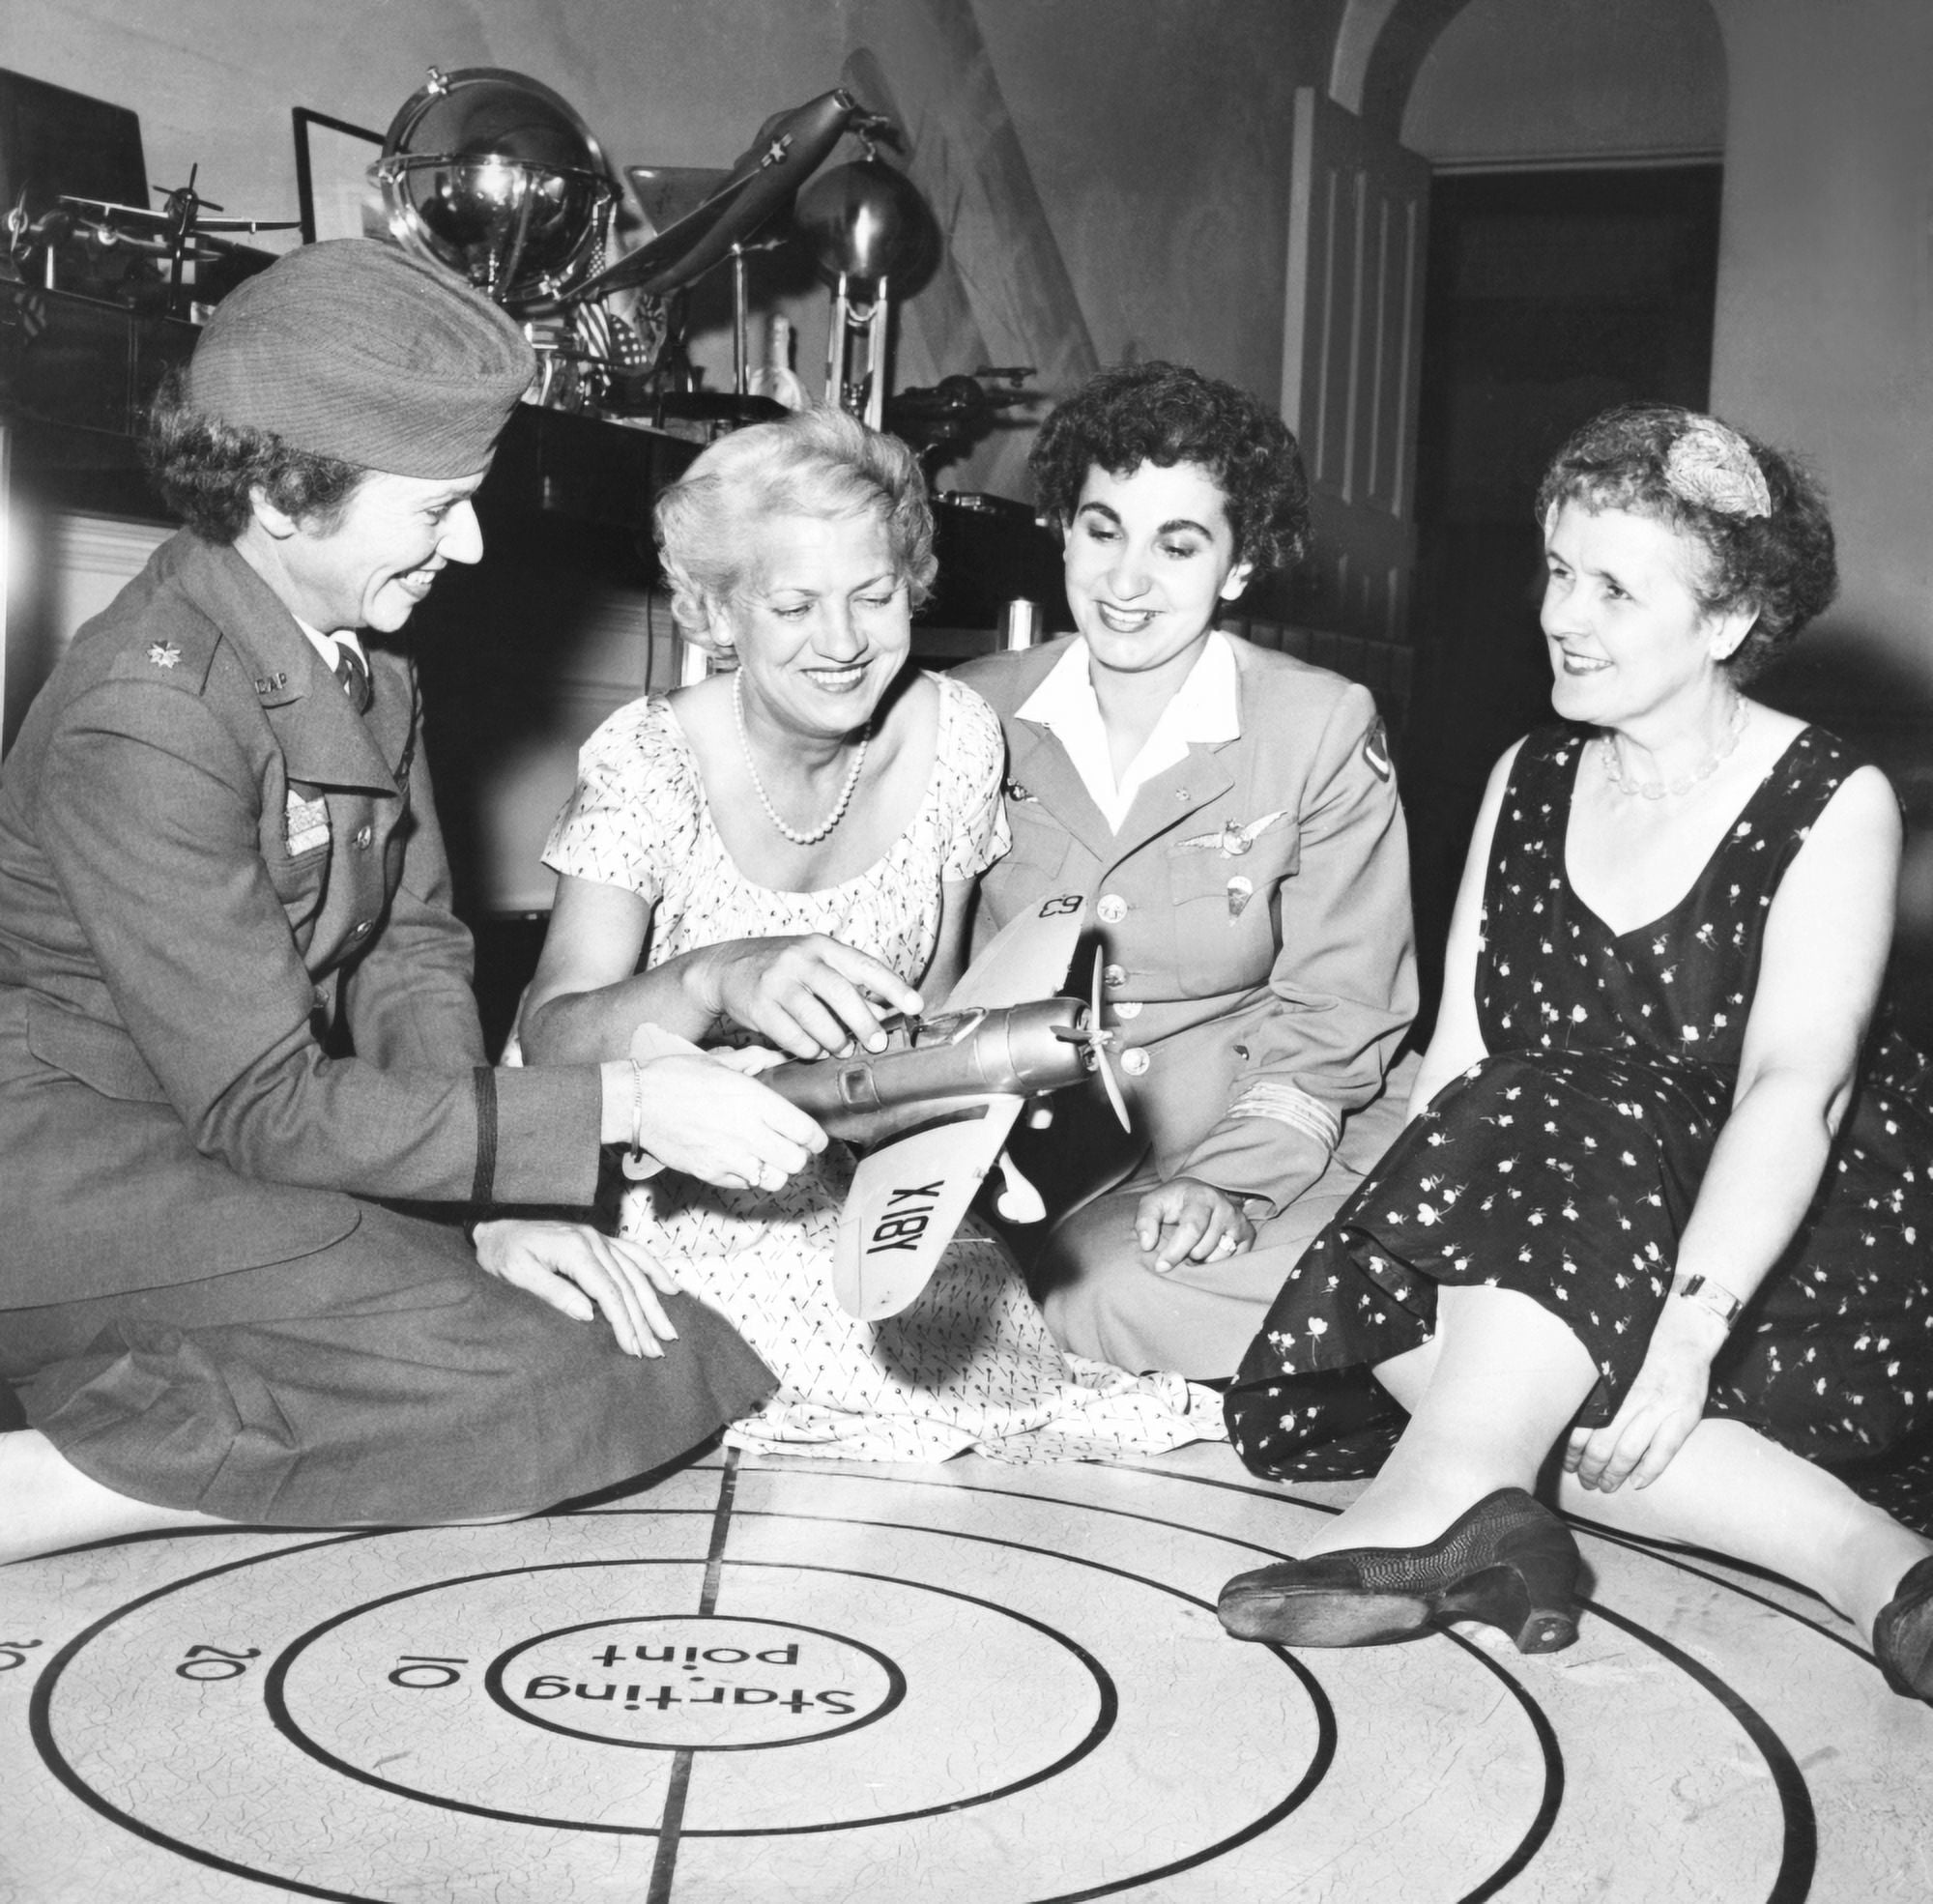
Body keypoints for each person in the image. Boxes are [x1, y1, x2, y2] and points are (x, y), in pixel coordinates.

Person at [0, 241, 817, 1566]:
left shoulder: (364, 662)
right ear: (283, 492)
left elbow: (412, 951)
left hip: (228, 1143)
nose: (473, 544)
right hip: (73, 1173)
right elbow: (265, 1106)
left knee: (632, 1348)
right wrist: (621, 1105)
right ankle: (44, 1487)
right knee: (538, 1378)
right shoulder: (147, 711)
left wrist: (490, 1203)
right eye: (439, 507)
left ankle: (159, 1395)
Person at [1218, 405, 1933, 1701]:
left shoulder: (1832, 797)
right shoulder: (1528, 773)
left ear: (1727, 620)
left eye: (1614, 587)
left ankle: (1450, 1489)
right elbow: (1458, 1058)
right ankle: (1881, 1572)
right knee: (1414, 1302)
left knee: (1559, 1121)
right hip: (1548, 1217)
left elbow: (1795, 1092)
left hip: (1771, 1244)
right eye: (1557, 570)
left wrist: (1688, 1333)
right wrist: (1405, 1254)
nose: (1562, 615)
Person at [519, 405, 1220, 1461]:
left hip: (865, 1191)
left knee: (999, 1384)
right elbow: (549, 1042)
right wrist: (711, 978)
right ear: (717, 612)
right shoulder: (650, 759)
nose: (842, 642)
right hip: (662, 1183)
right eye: (792, 605)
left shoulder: (955, 739)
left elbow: (931, 1025)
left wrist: (969, 1116)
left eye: (873, 594)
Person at [954, 361, 1417, 1381]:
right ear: (1062, 532)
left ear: (1238, 567)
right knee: (1031, 1297)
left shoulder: (1317, 726)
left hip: (1269, 1134)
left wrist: (1231, 1182)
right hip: (1035, 1160)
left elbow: (1343, 1004)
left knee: (1105, 1296)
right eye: (1102, 530)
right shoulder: (966, 714)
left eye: (1177, 545)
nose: (1126, 581)